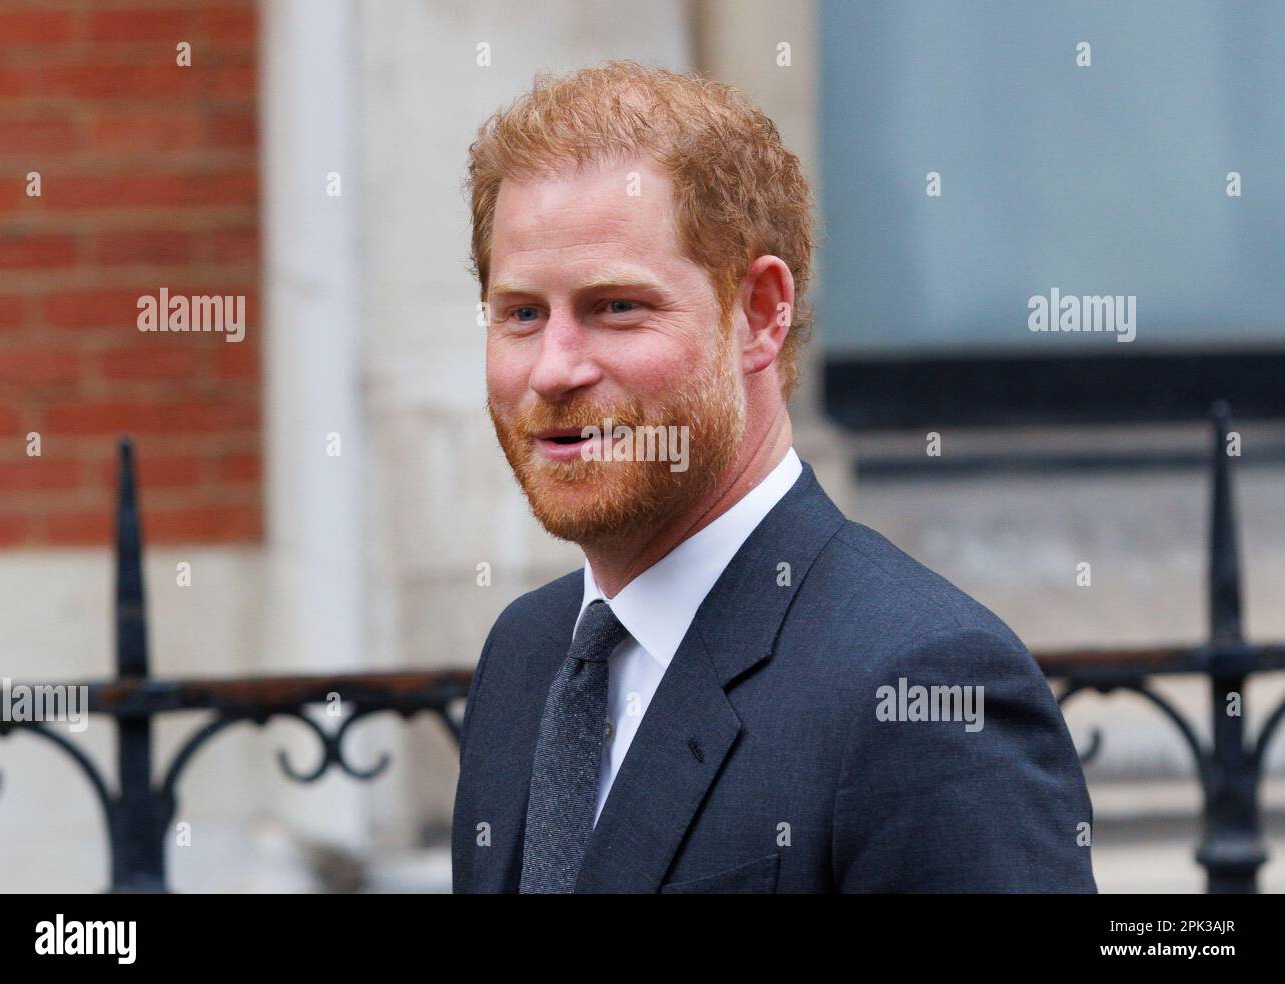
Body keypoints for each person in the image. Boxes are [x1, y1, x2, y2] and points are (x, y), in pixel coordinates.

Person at [452, 60, 1095, 893]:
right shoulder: (525, 655)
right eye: (522, 314)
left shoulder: (921, 684)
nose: (554, 369)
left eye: (617, 307)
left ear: (759, 314)